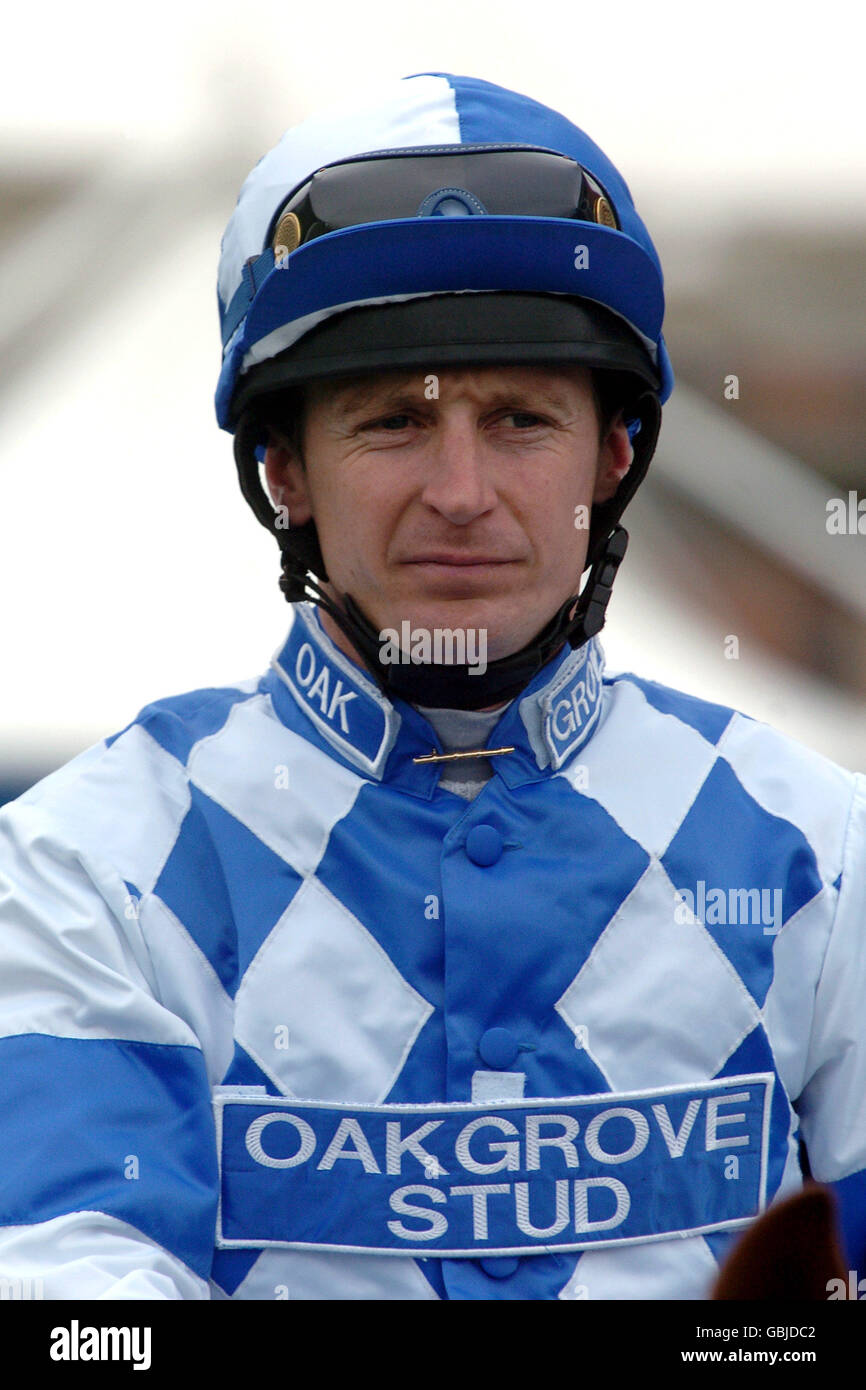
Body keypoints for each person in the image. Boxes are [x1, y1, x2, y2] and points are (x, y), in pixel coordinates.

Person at [0, 72, 863, 1302]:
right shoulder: (81, 867)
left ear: (613, 458)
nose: (459, 493)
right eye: (391, 425)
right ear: (283, 469)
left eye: (517, 420)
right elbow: (71, 1306)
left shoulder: (824, 851)